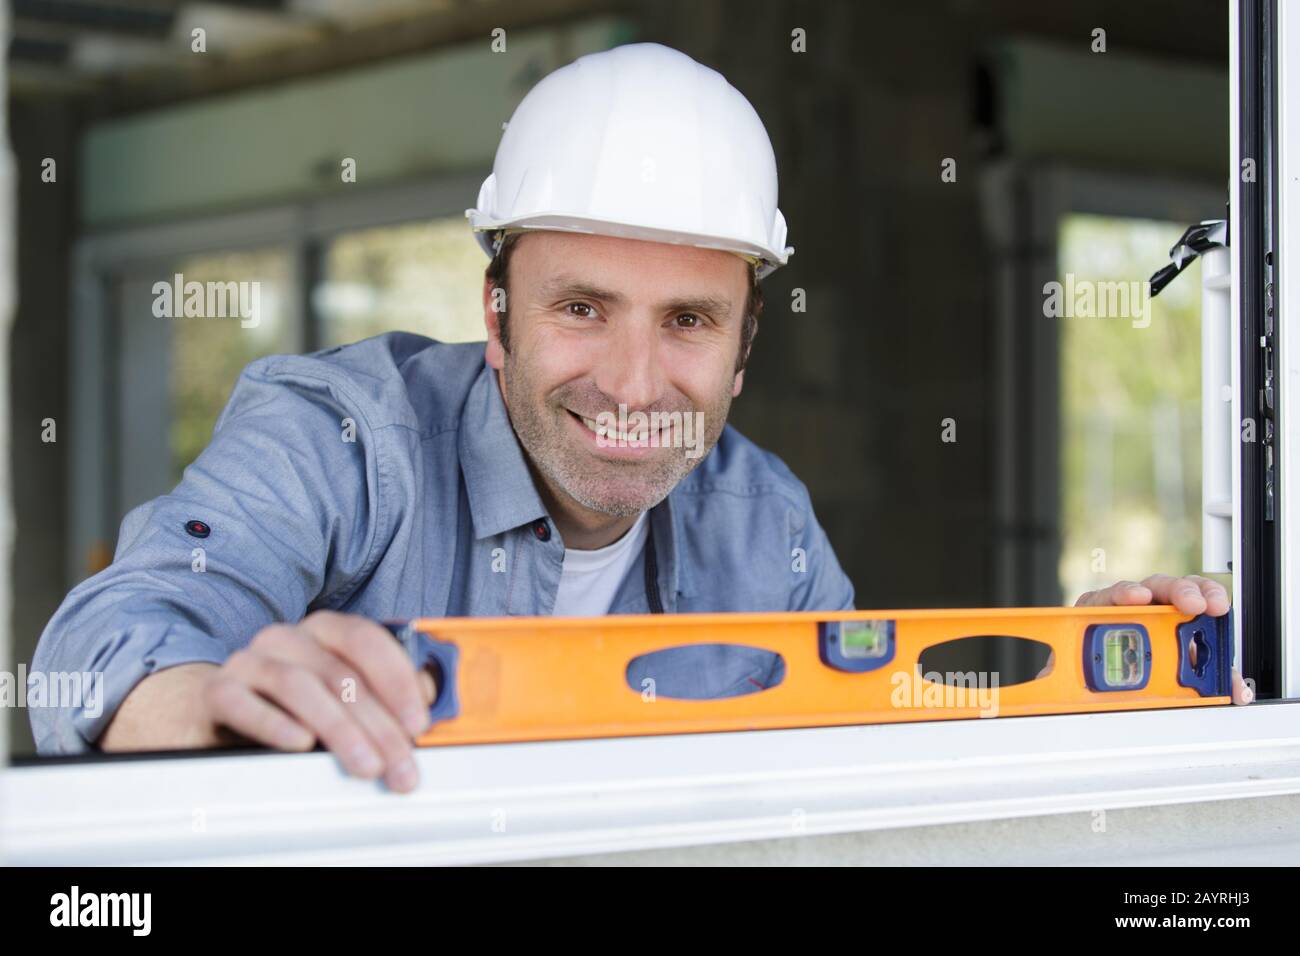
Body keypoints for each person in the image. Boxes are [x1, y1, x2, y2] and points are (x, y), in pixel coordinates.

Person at [29, 43, 1245, 794]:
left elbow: (867, 759)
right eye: (580, 306)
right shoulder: (342, 436)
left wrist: (1076, 686)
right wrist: (213, 705)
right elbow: (96, 648)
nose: (630, 382)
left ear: (744, 348)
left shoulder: (761, 521)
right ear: (494, 315)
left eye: (687, 322)